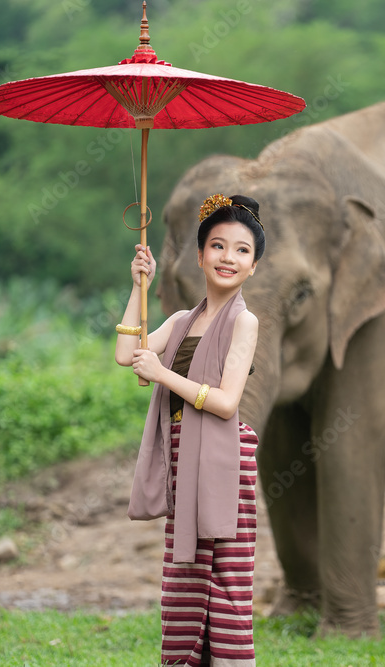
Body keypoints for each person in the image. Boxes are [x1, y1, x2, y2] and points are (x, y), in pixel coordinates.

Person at [114, 194, 263, 666]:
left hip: (223, 460)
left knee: (226, 579)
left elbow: (225, 402)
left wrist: (163, 374)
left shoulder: (245, 322)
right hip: (181, 457)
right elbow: (126, 355)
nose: (228, 258)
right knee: (184, 577)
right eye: (217, 246)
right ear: (199, 256)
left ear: (254, 265)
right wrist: (140, 285)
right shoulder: (182, 321)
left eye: (242, 250)